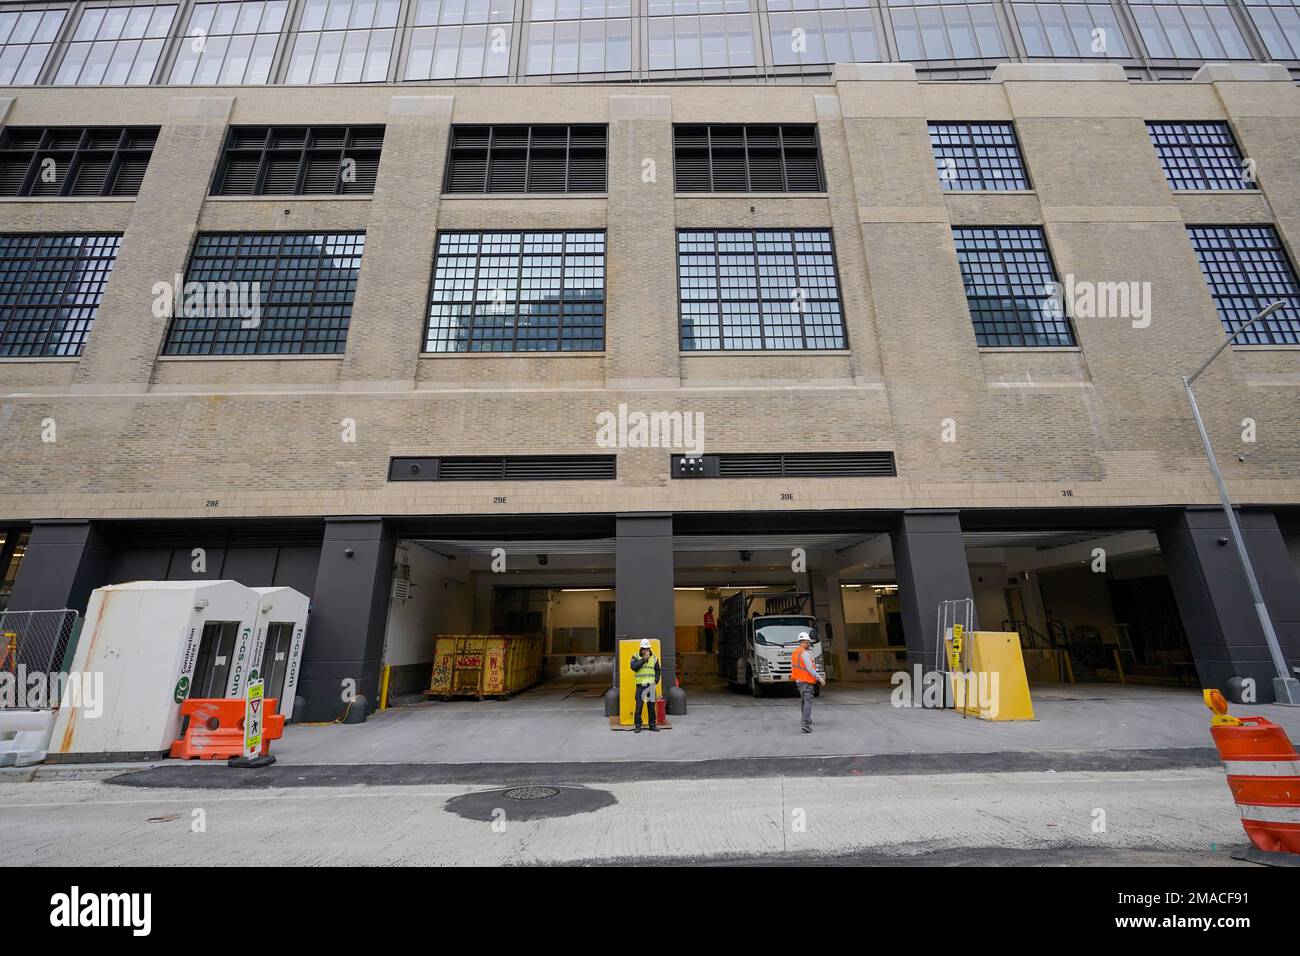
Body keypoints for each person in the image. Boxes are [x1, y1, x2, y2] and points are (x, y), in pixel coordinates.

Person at [791, 631, 825, 734]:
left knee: (803, 702)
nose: (808, 644)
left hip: (799, 681)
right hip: (806, 681)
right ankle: (805, 724)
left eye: (808, 642)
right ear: (802, 642)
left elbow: (793, 667)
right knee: (807, 703)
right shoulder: (804, 653)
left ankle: (806, 720)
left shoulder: (795, 652)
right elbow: (810, 669)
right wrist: (819, 678)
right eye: (807, 642)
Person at [629, 638, 661, 733]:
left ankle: (652, 725)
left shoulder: (654, 658)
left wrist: (656, 680)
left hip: (650, 686)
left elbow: (657, 670)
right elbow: (633, 667)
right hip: (641, 686)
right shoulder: (636, 656)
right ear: (641, 649)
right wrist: (643, 659)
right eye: (644, 649)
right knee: (639, 706)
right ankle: (638, 725)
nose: (646, 650)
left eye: (647, 649)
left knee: (651, 706)